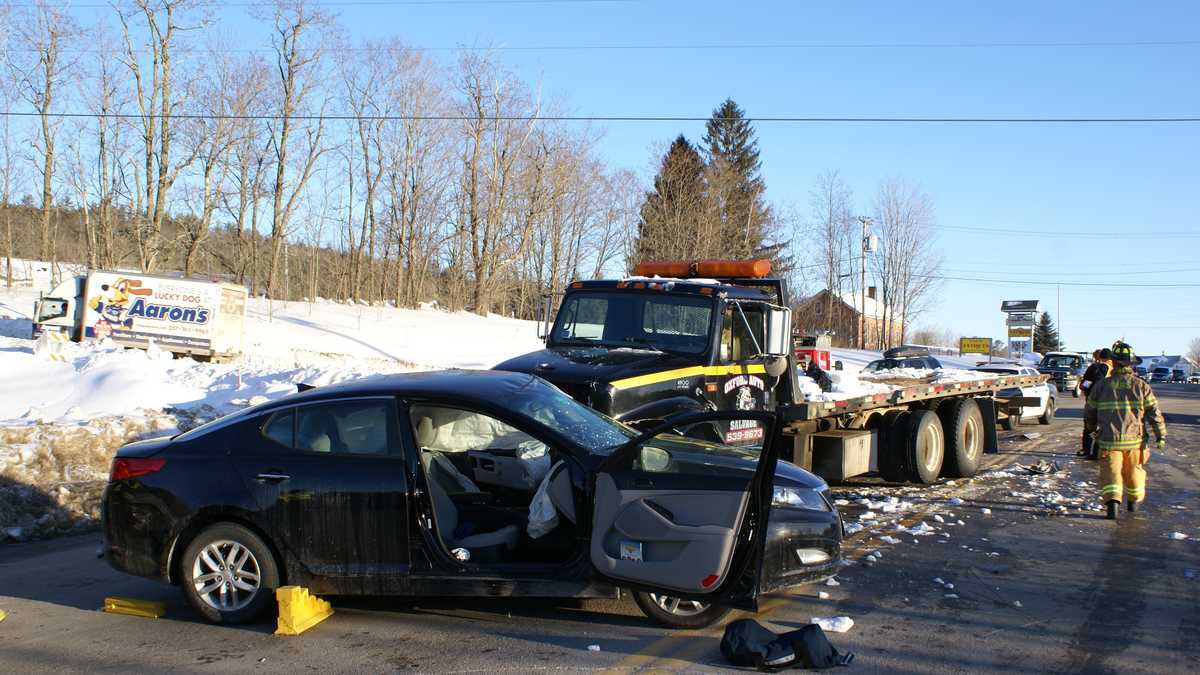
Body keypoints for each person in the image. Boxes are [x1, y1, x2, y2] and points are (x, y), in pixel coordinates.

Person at [1084, 341, 1166, 520]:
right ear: (1131, 364)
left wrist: (1091, 430)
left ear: (1113, 362)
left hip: (1108, 441)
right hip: (1135, 442)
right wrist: (1161, 436)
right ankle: (1133, 500)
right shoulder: (1141, 386)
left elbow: (1090, 411)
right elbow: (1154, 413)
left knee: (1111, 472)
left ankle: (1112, 502)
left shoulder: (1101, 386)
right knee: (1134, 471)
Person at [1077, 348, 1113, 458]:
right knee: (1102, 428)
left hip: (1094, 402)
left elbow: (1087, 383)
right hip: (1109, 402)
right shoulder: (1114, 368)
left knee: (1090, 427)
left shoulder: (1096, 367)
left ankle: (1088, 450)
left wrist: (1083, 386)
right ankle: (1099, 451)